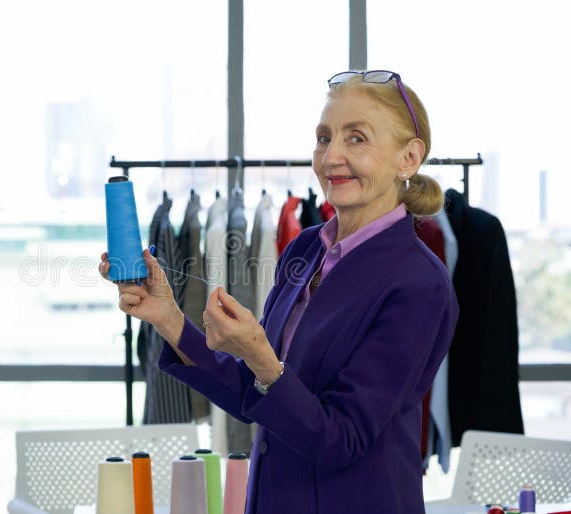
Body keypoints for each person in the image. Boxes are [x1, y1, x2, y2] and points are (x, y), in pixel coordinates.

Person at [99, 70, 459, 514]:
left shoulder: (418, 283)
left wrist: (263, 360)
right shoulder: (307, 248)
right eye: (324, 138)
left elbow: (341, 439)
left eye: (357, 139)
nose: (332, 157)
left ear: (408, 158)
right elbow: (256, 396)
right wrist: (169, 318)